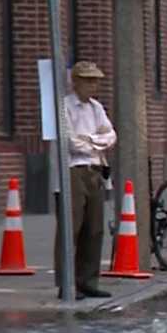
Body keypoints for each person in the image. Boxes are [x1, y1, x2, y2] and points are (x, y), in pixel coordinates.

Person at [54, 61, 117, 299]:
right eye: (89, 80)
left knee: (94, 228)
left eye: (96, 80)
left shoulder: (96, 108)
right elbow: (70, 142)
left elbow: (111, 135)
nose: (94, 85)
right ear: (75, 81)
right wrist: (95, 141)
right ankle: (66, 283)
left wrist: (90, 140)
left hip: (95, 168)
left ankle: (87, 280)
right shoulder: (65, 107)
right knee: (71, 227)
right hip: (73, 169)